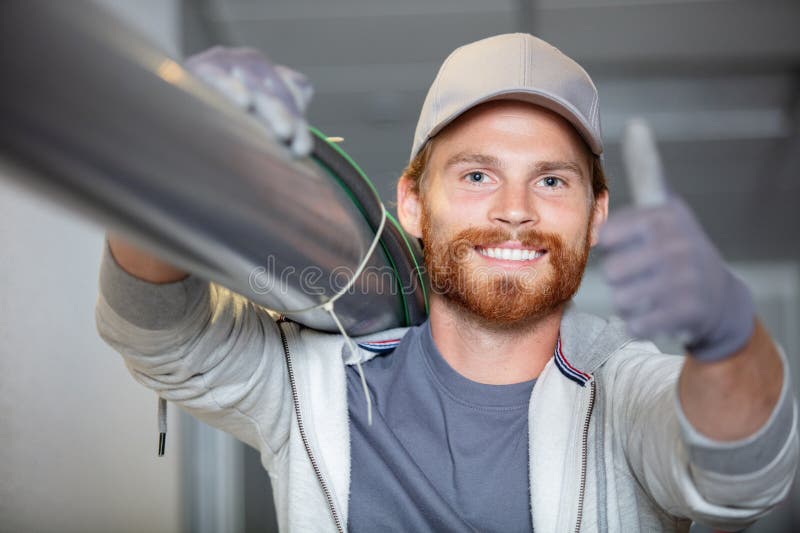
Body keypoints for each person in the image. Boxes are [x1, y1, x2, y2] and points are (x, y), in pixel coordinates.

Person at [96, 34, 798, 532]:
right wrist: (172, 155)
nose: (515, 209)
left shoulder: (625, 393)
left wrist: (731, 337)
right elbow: (159, 331)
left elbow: (741, 480)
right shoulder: (318, 383)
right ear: (411, 202)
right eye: (476, 174)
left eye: (551, 180)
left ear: (596, 215)